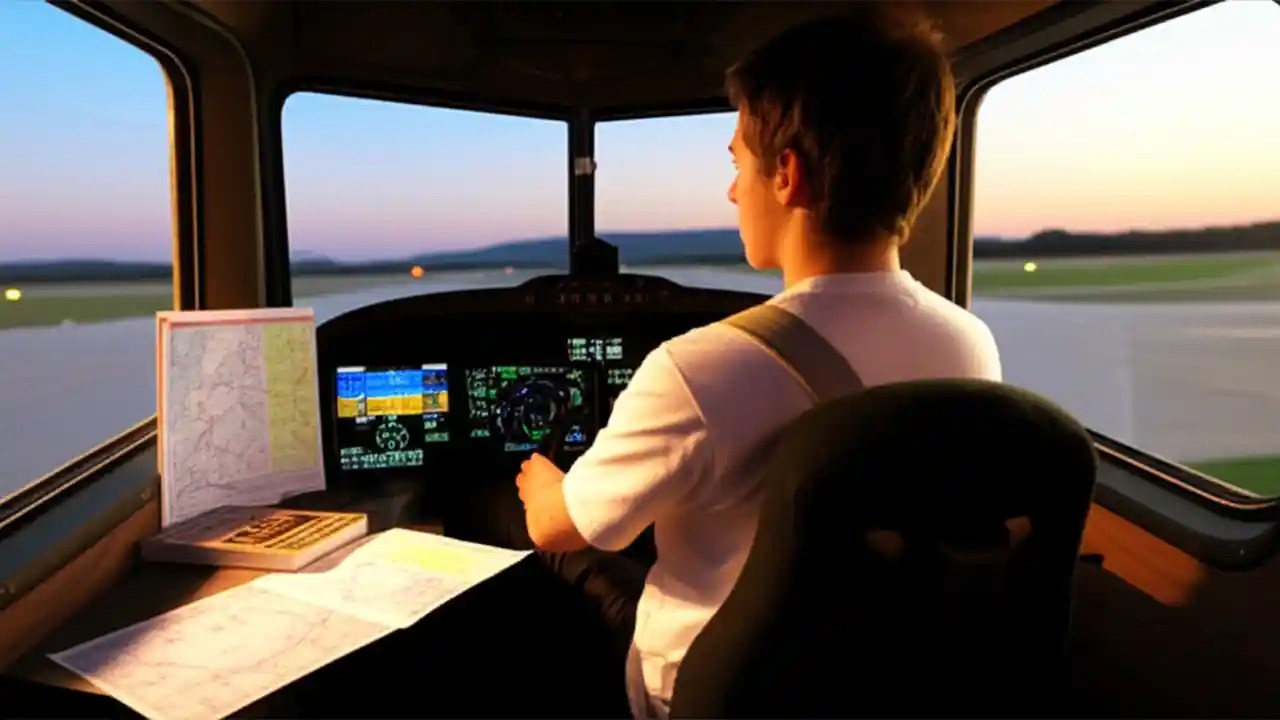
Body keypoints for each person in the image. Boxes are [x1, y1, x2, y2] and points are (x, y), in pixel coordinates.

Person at [515, 7, 1002, 718]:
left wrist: (540, 485)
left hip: (718, 692)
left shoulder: (700, 368)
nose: (732, 189)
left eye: (738, 161)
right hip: (884, 679)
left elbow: (562, 527)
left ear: (788, 175)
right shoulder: (969, 345)